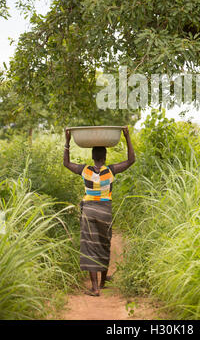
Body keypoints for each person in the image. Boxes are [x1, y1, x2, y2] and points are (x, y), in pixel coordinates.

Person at [63, 126, 135, 296]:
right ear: (105, 157)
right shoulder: (110, 171)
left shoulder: (85, 170)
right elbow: (131, 160)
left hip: (88, 211)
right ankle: (102, 282)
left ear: (93, 157)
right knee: (103, 243)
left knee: (90, 247)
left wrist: (67, 142)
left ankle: (95, 288)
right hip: (105, 211)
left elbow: (66, 163)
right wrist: (127, 137)